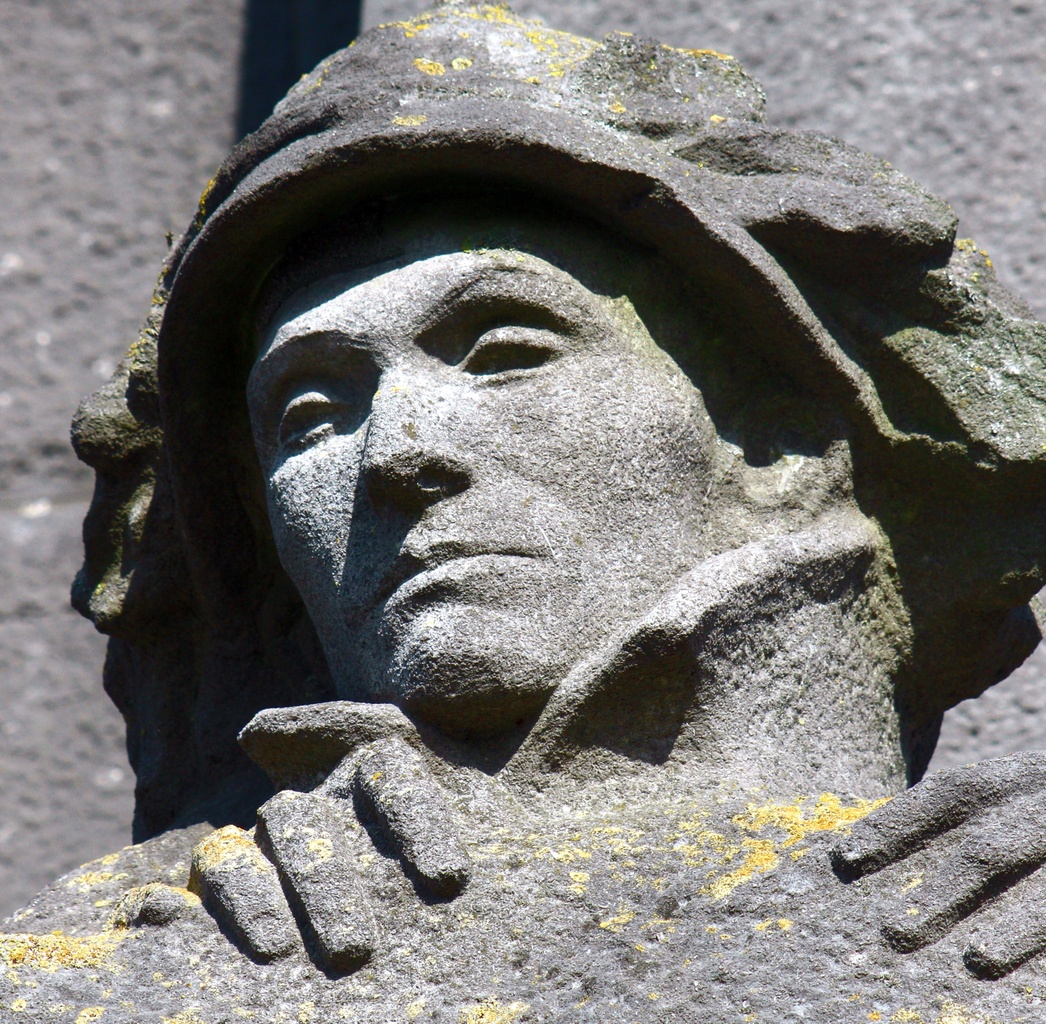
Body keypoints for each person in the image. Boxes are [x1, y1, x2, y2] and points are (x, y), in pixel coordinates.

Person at [7, 3, 1046, 1019]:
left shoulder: (1004, 914)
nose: (402, 453)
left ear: (779, 448)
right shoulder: (122, 956)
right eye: (312, 414)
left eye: (504, 353)